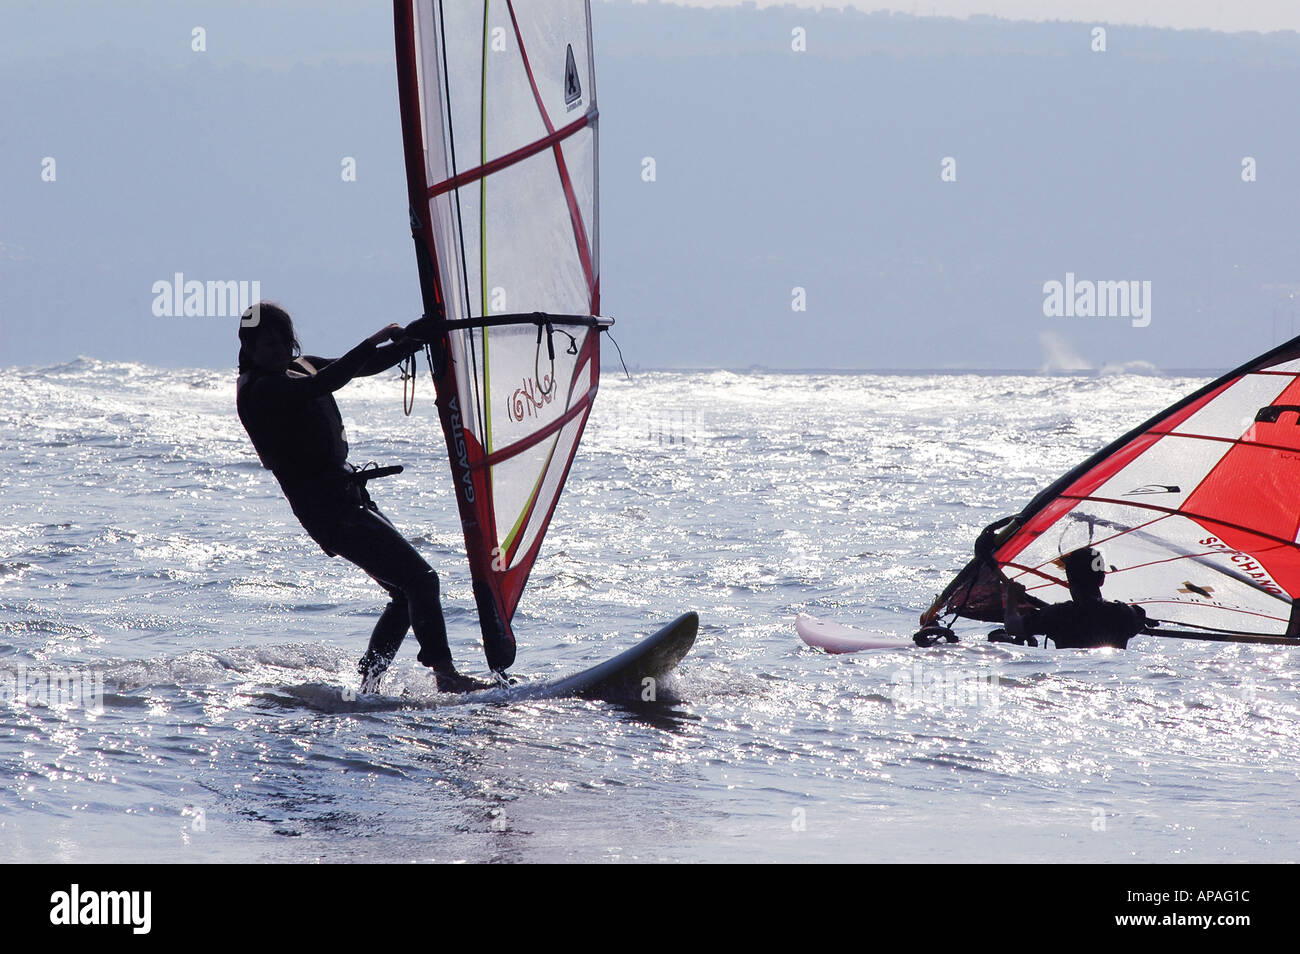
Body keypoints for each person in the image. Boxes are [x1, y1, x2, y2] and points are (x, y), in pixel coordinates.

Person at [235, 302, 488, 693]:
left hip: (349, 496)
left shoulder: (300, 366)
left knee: (406, 593)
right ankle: (445, 675)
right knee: (421, 580)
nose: (278, 351)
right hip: (328, 511)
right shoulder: (262, 390)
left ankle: (369, 685)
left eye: (284, 342)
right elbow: (325, 383)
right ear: (248, 349)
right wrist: (372, 339)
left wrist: (414, 341)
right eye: (266, 345)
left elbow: (360, 367)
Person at [999, 547, 1148, 649]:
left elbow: (1012, 627)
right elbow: (1139, 618)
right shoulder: (1123, 614)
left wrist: (1011, 596)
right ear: (1102, 579)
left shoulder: (1057, 614)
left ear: (1069, 580)